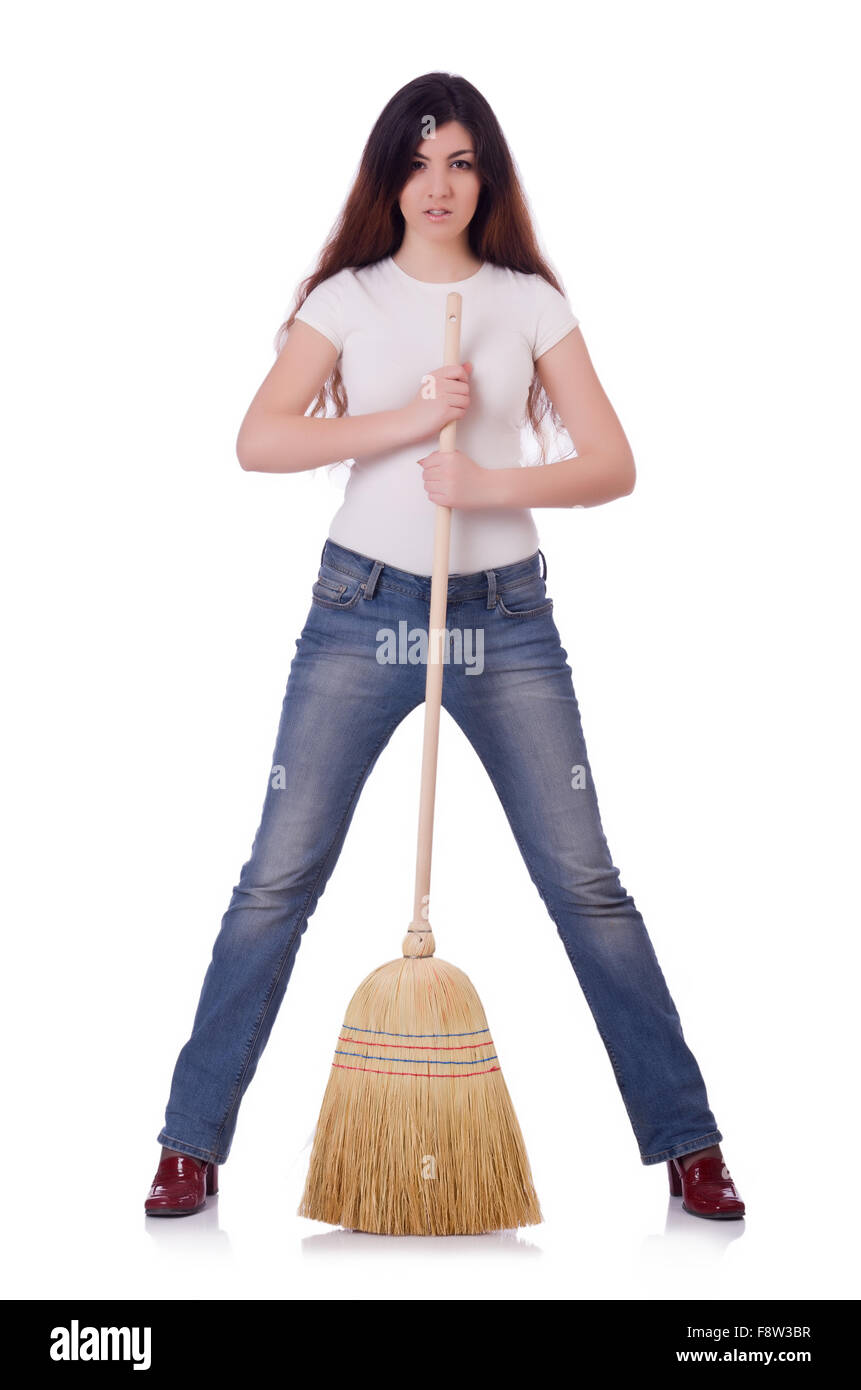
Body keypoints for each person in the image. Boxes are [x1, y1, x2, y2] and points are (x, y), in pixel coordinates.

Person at [145, 71, 745, 1222]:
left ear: (487, 176)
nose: (439, 184)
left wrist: (487, 478)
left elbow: (613, 464)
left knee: (586, 884)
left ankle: (690, 1142)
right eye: (419, 162)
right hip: (362, 607)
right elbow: (258, 439)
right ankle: (190, 1142)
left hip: (506, 617)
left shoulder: (527, 303)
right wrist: (410, 421)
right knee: (278, 878)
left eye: (461, 161)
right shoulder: (347, 298)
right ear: (390, 175)